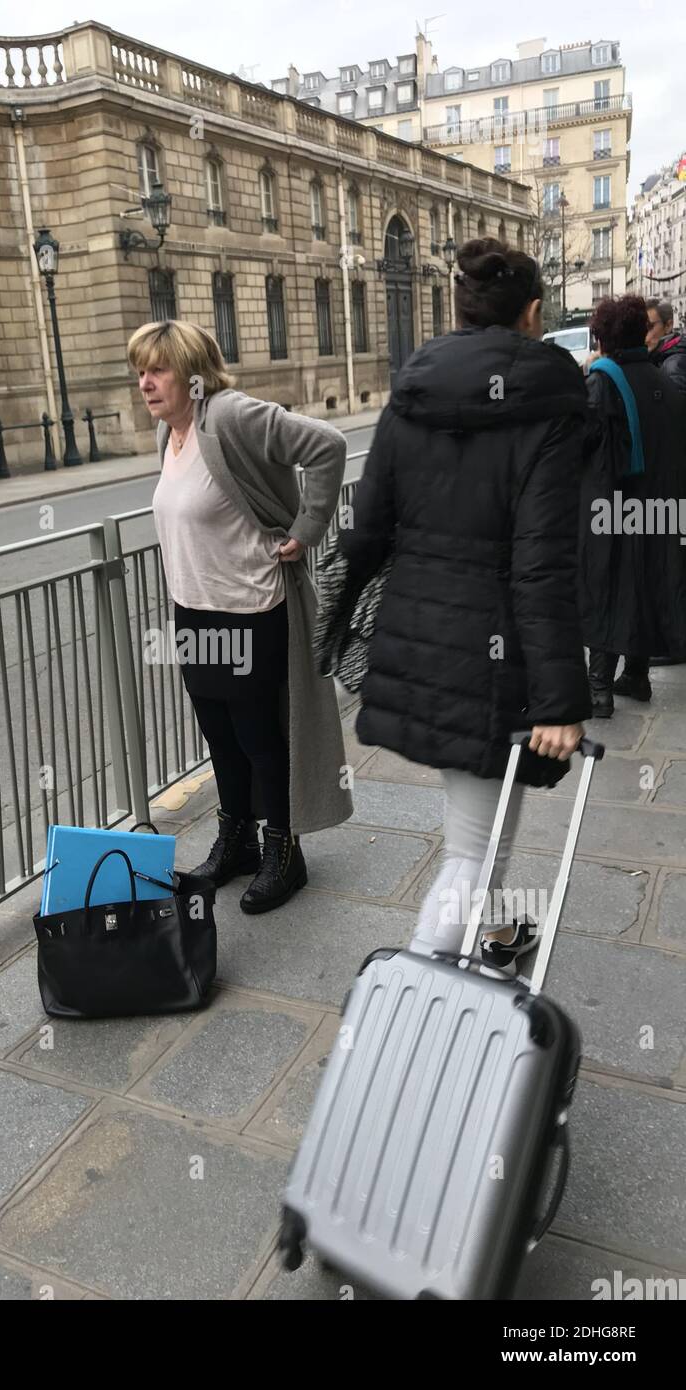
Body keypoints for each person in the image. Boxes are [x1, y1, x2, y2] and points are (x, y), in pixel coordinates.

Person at [339, 238, 590, 974]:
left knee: (479, 832)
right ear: (533, 313)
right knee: (473, 854)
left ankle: (498, 947)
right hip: (494, 655)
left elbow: (366, 527)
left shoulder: (411, 390)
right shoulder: (548, 403)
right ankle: (411, 1001)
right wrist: (558, 700)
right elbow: (540, 561)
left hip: (422, 643)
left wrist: (347, 627)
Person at [129, 320, 353, 914]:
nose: (145, 383)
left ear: (193, 376)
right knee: (220, 739)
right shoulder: (169, 434)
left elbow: (327, 447)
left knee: (260, 739)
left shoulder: (229, 416)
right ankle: (236, 843)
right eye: (140, 372)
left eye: (158, 370)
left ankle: (284, 851)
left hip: (250, 609)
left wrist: (306, 532)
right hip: (194, 612)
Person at [580, 295, 686, 713]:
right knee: (643, 585)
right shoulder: (664, 381)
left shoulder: (602, 383)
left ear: (603, 339)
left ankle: (598, 688)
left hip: (611, 508)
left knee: (606, 586)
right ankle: (637, 677)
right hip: (659, 508)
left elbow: (580, 446)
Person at [645, 298, 686, 397]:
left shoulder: (674, 366)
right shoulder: (660, 356)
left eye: (649, 327)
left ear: (668, 325)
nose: (643, 334)